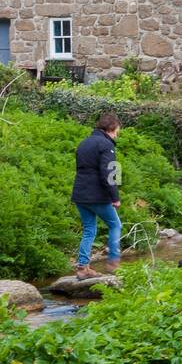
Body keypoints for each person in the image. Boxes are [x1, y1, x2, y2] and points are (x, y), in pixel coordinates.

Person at [71, 112, 122, 278]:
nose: (117, 135)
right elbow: (110, 173)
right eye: (117, 132)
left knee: (89, 230)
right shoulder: (107, 145)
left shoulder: (84, 143)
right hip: (97, 195)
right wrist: (115, 197)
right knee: (115, 225)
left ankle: (82, 268)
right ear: (111, 128)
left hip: (80, 194)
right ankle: (113, 262)